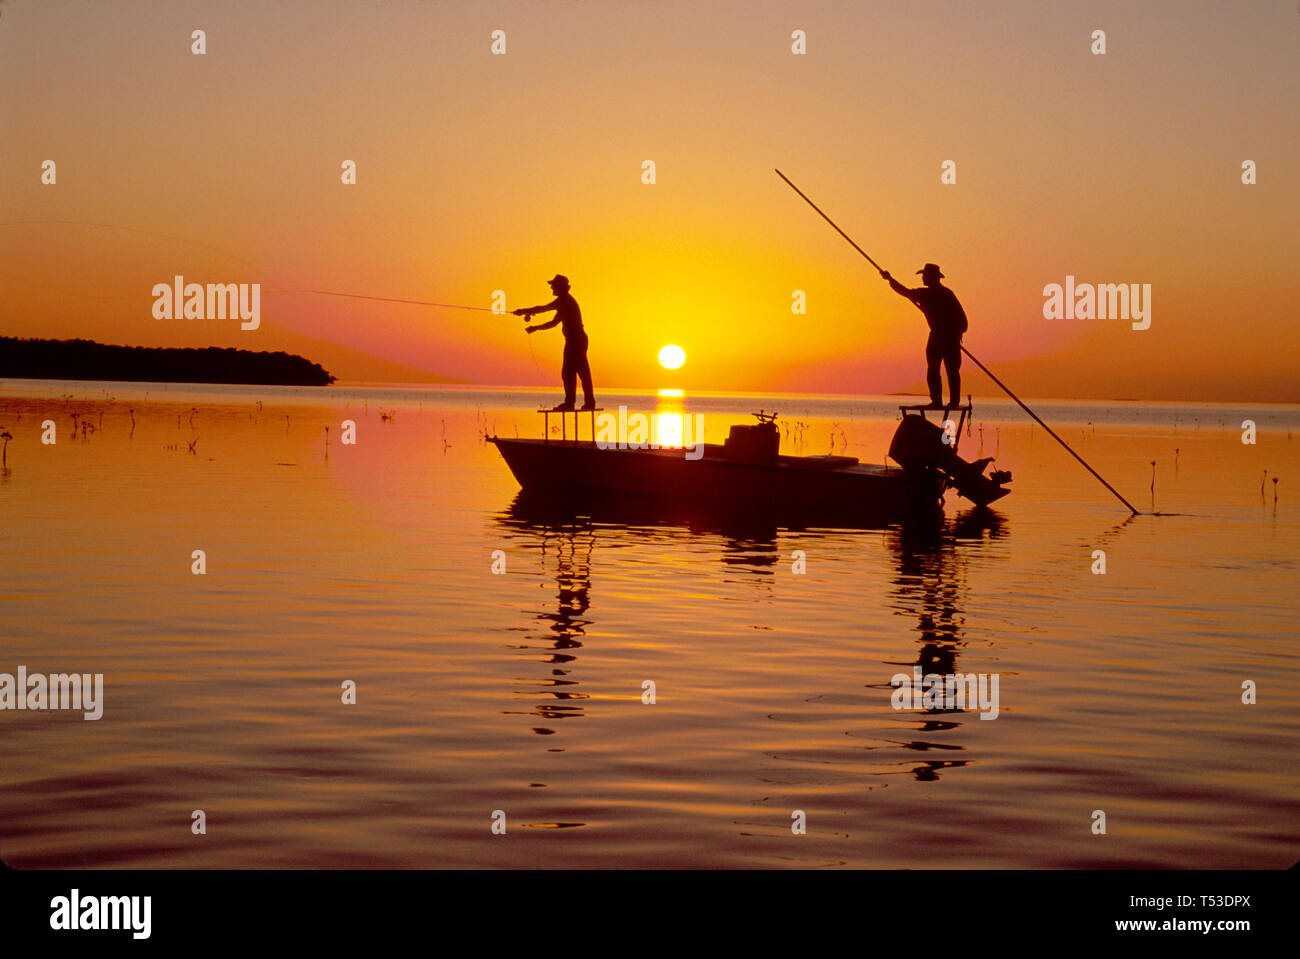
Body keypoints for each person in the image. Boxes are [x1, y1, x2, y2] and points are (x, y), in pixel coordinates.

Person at [880, 263, 968, 409]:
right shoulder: (932, 294)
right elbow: (905, 292)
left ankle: (949, 401)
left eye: (925, 276)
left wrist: (889, 279)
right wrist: (890, 280)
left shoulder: (935, 294)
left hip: (947, 338)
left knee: (946, 370)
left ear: (932, 277)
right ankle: (941, 401)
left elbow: (963, 322)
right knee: (937, 370)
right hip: (942, 337)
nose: (922, 278)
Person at [513, 274, 595, 411]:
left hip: (575, 341)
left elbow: (543, 308)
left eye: (553, 285)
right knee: (581, 372)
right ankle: (588, 402)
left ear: (561, 288)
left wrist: (524, 311)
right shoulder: (565, 303)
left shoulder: (564, 301)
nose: (551, 287)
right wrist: (536, 328)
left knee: (569, 372)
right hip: (577, 340)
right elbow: (553, 323)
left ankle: (571, 403)